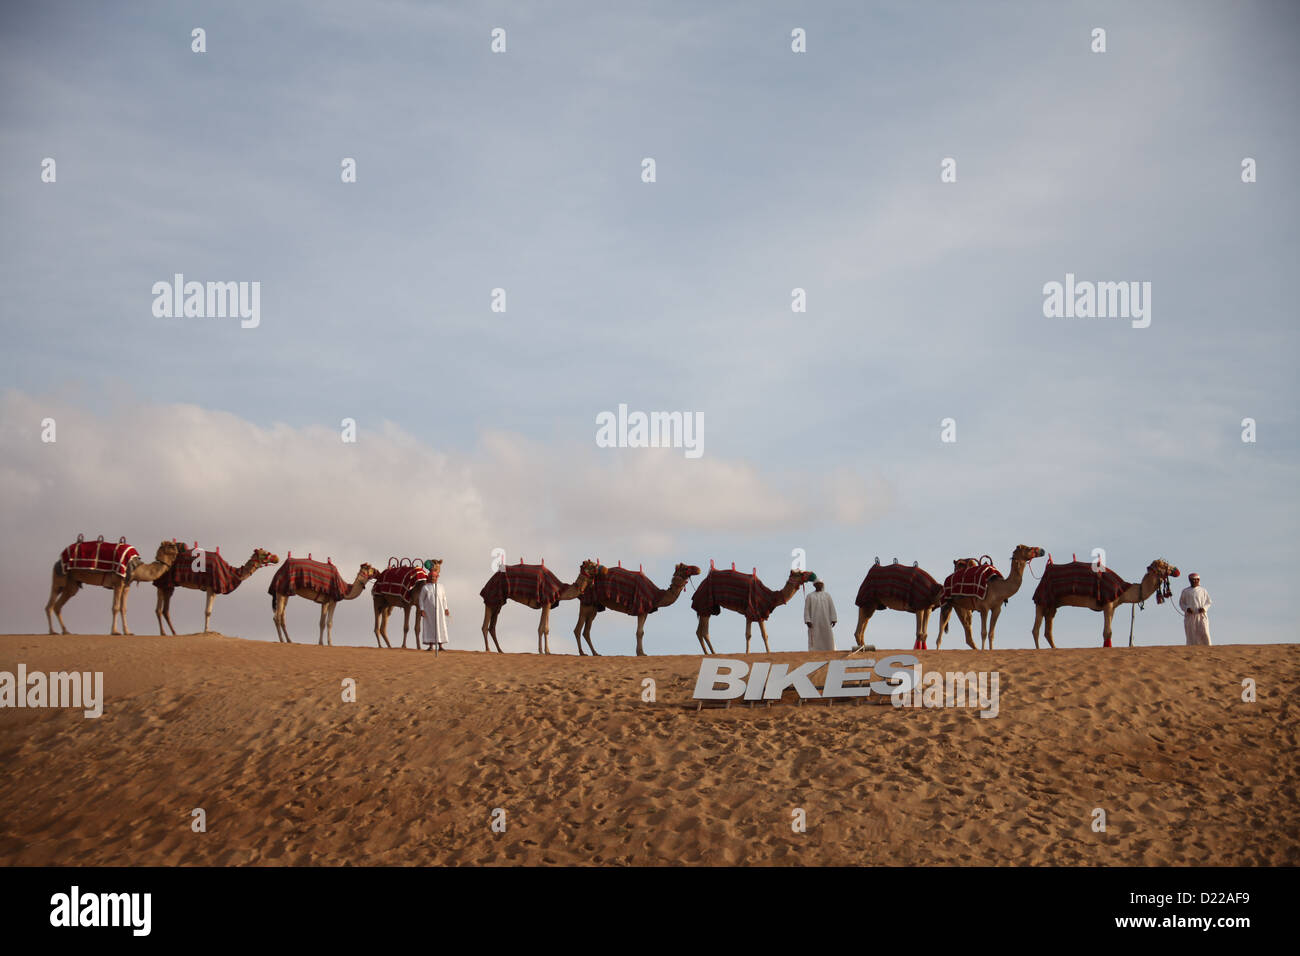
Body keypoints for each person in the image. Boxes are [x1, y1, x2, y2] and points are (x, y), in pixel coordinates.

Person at [417, 559, 451, 652]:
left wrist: (446, 608)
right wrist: (422, 610)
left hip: (440, 611)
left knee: (440, 626)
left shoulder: (441, 587)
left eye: (434, 577)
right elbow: (421, 599)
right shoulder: (425, 588)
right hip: (429, 612)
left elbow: (444, 599)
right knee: (429, 627)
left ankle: (440, 645)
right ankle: (431, 646)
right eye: (431, 577)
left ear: (437, 578)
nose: (433, 578)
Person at [1178, 572, 1212, 646]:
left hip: (1201, 615)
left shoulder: (1203, 590)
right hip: (1190, 616)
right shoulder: (1185, 591)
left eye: (1195, 580)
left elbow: (1208, 602)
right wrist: (1187, 609)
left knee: (1205, 632)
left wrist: (1204, 608)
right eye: (1192, 580)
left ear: (1198, 580)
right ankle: (1192, 651)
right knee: (1191, 634)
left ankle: (1209, 649)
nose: (1194, 581)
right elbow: (1181, 603)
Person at [803, 579, 837, 651]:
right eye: (818, 584)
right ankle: (814, 651)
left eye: (821, 584)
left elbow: (832, 607)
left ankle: (830, 649)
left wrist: (834, 619)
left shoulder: (827, 595)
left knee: (828, 635)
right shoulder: (810, 596)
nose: (820, 585)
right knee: (815, 635)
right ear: (814, 585)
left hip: (826, 620)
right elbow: (806, 609)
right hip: (814, 620)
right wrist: (807, 620)